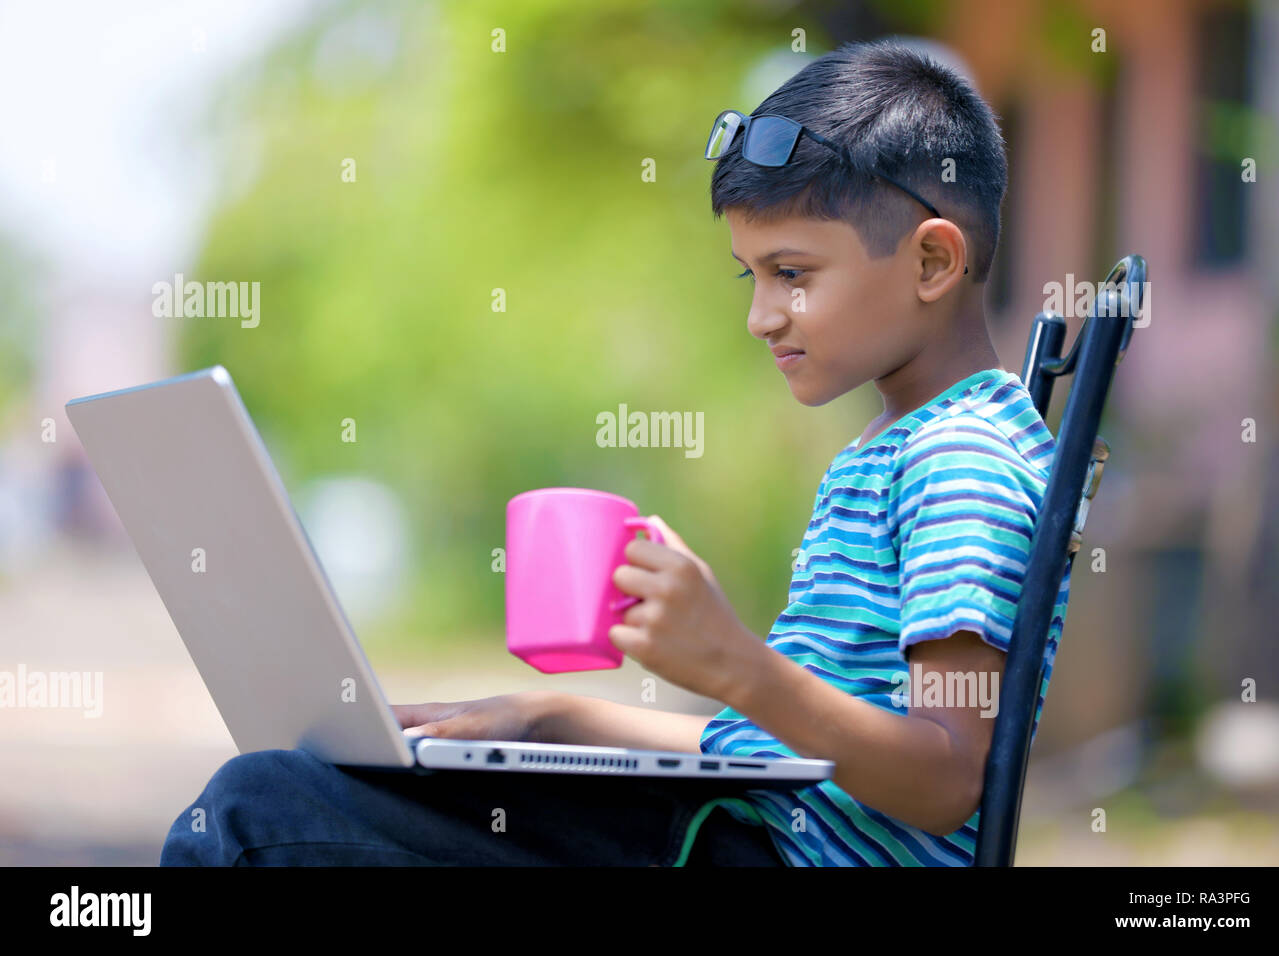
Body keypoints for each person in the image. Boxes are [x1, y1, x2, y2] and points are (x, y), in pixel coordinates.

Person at [161, 38, 1069, 867]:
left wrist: (739, 666)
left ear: (931, 263)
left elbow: (951, 778)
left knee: (260, 816)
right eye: (750, 277)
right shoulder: (896, 448)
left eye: (793, 274)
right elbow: (786, 756)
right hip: (742, 835)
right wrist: (553, 718)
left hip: (762, 857)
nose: (760, 316)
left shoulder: (963, 464)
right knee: (299, 797)